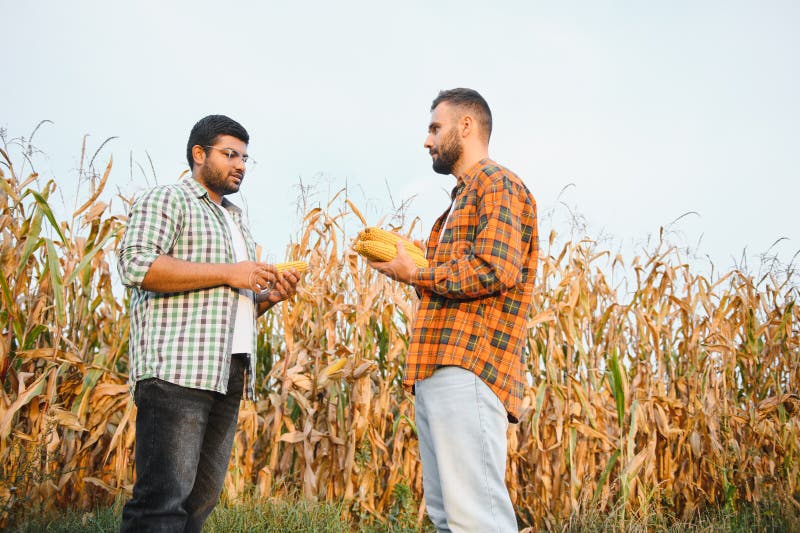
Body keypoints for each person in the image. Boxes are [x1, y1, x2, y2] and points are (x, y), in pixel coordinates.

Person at [117, 115, 300, 532]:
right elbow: (137, 265)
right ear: (199, 154)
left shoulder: (234, 218)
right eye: (229, 154)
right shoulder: (167, 200)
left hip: (228, 372)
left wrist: (267, 298)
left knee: (200, 502)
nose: (240, 165)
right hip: (177, 372)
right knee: (162, 501)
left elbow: (226, 303)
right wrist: (229, 272)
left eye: (245, 158)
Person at [370, 89, 538, 532]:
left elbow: (494, 269)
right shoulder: (460, 200)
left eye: (434, 128)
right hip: (438, 370)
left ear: (466, 126)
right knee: (449, 518)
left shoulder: (496, 184)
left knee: (476, 518)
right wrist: (407, 255)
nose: (427, 141)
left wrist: (415, 274)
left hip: (469, 367)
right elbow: (455, 267)